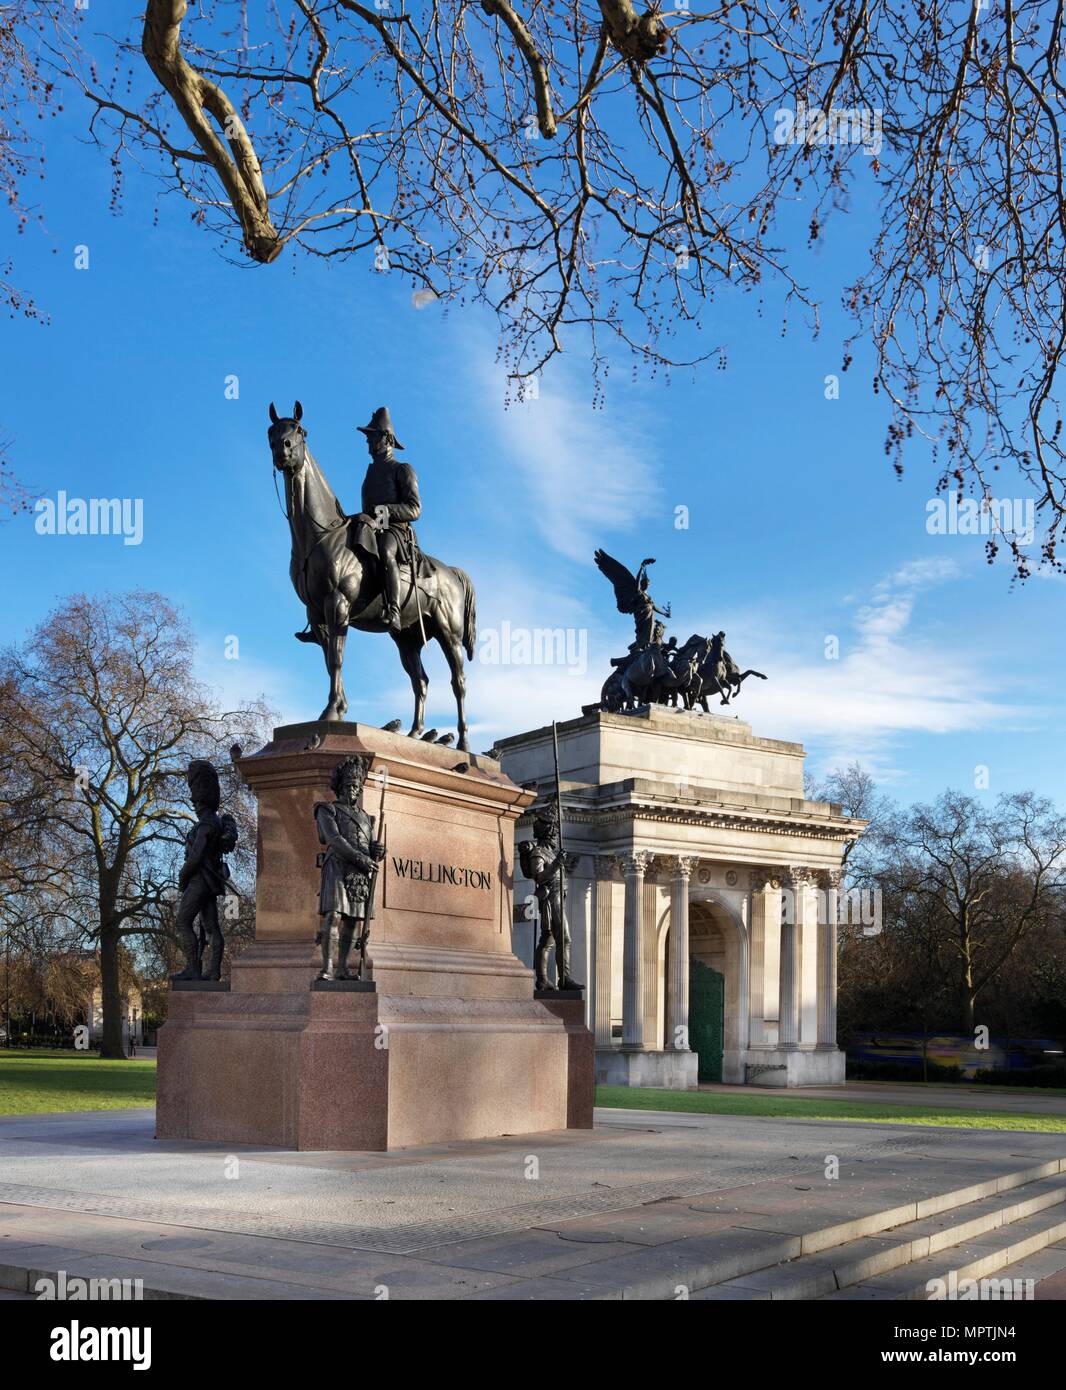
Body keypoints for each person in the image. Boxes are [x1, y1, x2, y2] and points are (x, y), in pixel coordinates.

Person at [315, 754, 385, 980]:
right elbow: (333, 839)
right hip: (337, 865)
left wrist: (378, 852)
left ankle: (344, 967)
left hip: (360, 871)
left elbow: (370, 844)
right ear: (340, 787)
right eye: (348, 786)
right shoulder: (327, 810)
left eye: (356, 786)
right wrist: (360, 857)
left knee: (352, 921)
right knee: (333, 915)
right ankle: (327, 967)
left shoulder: (367, 818)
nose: (353, 790)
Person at [357, 406, 421, 631]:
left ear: (385, 438)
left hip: (395, 531)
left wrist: (384, 511)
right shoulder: (370, 472)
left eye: (371, 436)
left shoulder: (402, 469)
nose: (367, 443)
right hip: (372, 526)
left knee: (385, 550)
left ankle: (394, 610)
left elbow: (414, 509)